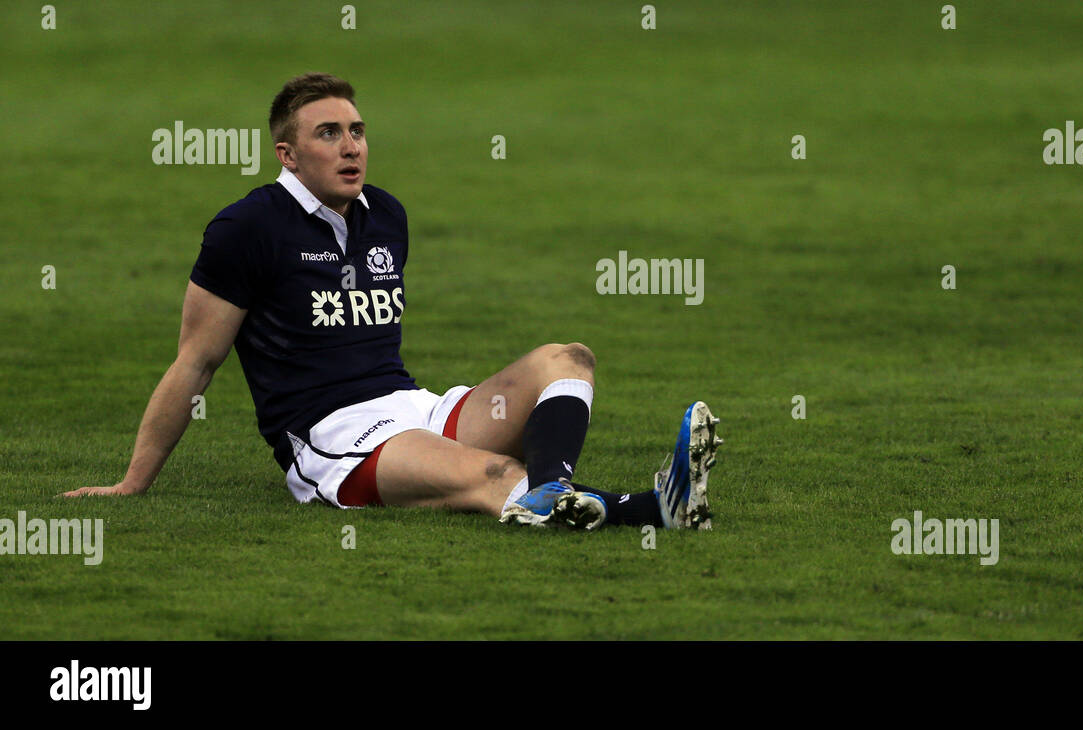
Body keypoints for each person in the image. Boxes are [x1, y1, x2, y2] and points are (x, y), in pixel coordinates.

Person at [62, 72, 722, 531]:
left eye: (357, 129)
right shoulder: (247, 229)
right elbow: (196, 363)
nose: (350, 146)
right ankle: (649, 509)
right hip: (334, 439)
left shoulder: (387, 216)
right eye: (328, 133)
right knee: (490, 477)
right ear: (287, 155)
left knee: (568, 358)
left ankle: (552, 488)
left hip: (414, 407)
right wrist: (133, 482)